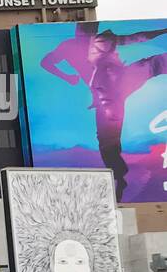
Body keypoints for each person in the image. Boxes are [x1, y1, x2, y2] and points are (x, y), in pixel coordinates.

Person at [39, 23, 167, 201]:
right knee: (107, 142)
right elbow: (45, 62)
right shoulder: (76, 45)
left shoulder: (93, 41)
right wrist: (67, 77)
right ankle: (119, 177)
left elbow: (136, 37)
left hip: (113, 88)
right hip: (110, 93)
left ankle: (119, 176)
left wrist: (161, 30)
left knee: (153, 64)